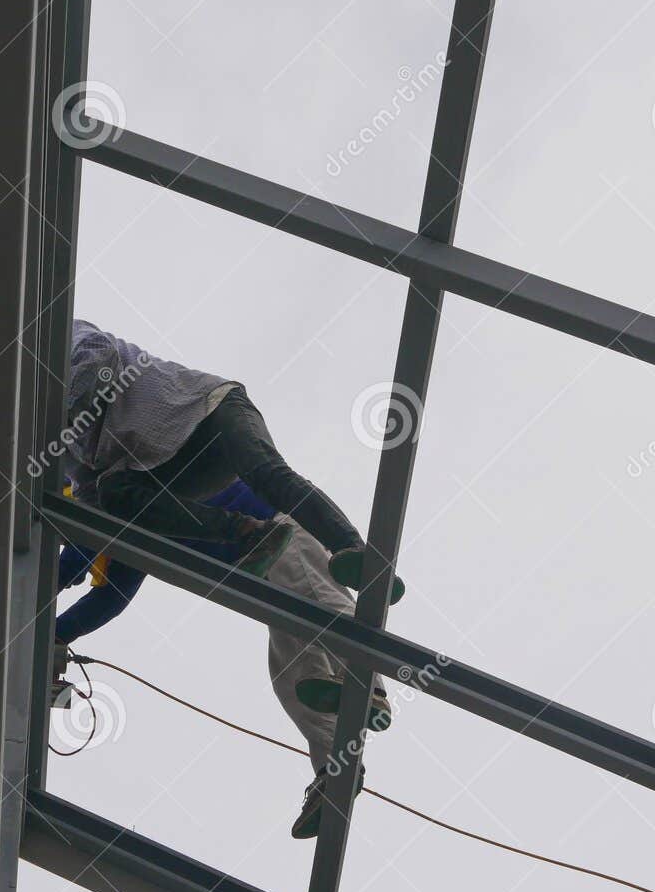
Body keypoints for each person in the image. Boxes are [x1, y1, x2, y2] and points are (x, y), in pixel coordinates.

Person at [52, 478, 390, 840]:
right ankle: (334, 765)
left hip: (279, 531)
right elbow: (111, 597)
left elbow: (77, 548)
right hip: (259, 567)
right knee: (293, 674)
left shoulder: (106, 495)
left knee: (322, 607)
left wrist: (36, 612)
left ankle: (370, 684)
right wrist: (55, 633)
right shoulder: (125, 533)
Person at [63, 319, 405, 602]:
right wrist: (74, 552)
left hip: (208, 409)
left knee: (266, 472)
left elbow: (97, 354)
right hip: (177, 463)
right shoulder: (62, 447)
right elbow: (96, 503)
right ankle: (250, 534)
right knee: (114, 495)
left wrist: (62, 415)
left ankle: (354, 550)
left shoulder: (55, 343)